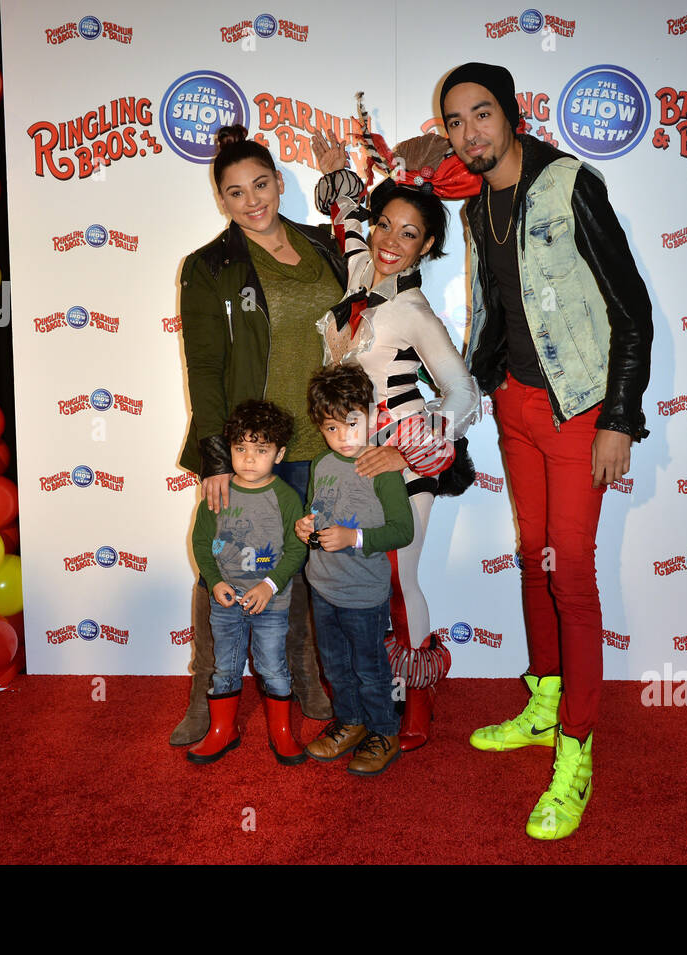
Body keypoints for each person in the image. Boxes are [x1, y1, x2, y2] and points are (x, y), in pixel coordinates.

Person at [440, 63, 654, 839]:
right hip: (517, 406)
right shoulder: (475, 208)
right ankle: (544, 697)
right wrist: (488, 384)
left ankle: (577, 746)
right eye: (457, 121)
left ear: (514, 114)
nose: (471, 132)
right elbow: (498, 306)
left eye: (482, 114)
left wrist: (620, 417)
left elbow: (632, 308)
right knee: (534, 557)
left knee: (573, 575)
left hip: (580, 408)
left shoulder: (570, 185)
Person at [307, 125, 481, 750]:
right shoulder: (358, 266)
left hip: (402, 468)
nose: (390, 242)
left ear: (427, 245)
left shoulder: (413, 311)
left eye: (409, 234)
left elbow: (464, 396)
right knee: (353, 588)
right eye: (386, 226)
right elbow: (350, 217)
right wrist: (339, 174)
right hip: (346, 464)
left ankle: (418, 700)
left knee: (398, 585)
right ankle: (366, 701)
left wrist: (406, 445)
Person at [172, 125, 343, 747]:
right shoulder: (208, 266)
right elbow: (206, 369)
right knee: (222, 565)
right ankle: (205, 691)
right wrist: (219, 456)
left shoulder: (325, 244)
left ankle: (301, 676)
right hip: (253, 454)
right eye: (235, 191)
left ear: (278, 182)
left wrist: (341, 174)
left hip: (324, 445)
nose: (253, 201)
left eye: (262, 185)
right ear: (220, 198)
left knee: (300, 563)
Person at [295, 363, 415, 775]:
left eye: (352, 424)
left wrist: (354, 538)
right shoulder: (321, 465)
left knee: (369, 668)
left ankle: (384, 730)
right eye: (331, 428)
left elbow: (402, 530)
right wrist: (306, 527)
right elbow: (318, 512)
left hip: (363, 594)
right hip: (322, 587)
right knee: (335, 667)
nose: (343, 438)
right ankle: (351, 723)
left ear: (371, 415)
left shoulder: (381, 467)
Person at [187, 400, 308, 766]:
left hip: (271, 603)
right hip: (225, 602)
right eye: (240, 449)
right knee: (225, 666)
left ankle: (281, 732)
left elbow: (295, 550)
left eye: (261, 450)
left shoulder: (286, 498)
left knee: (272, 666)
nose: (249, 459)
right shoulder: (217, 493)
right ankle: (223, 730)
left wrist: (269, 586)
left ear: (279, 452)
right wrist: (214, 581)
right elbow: (201, 543)